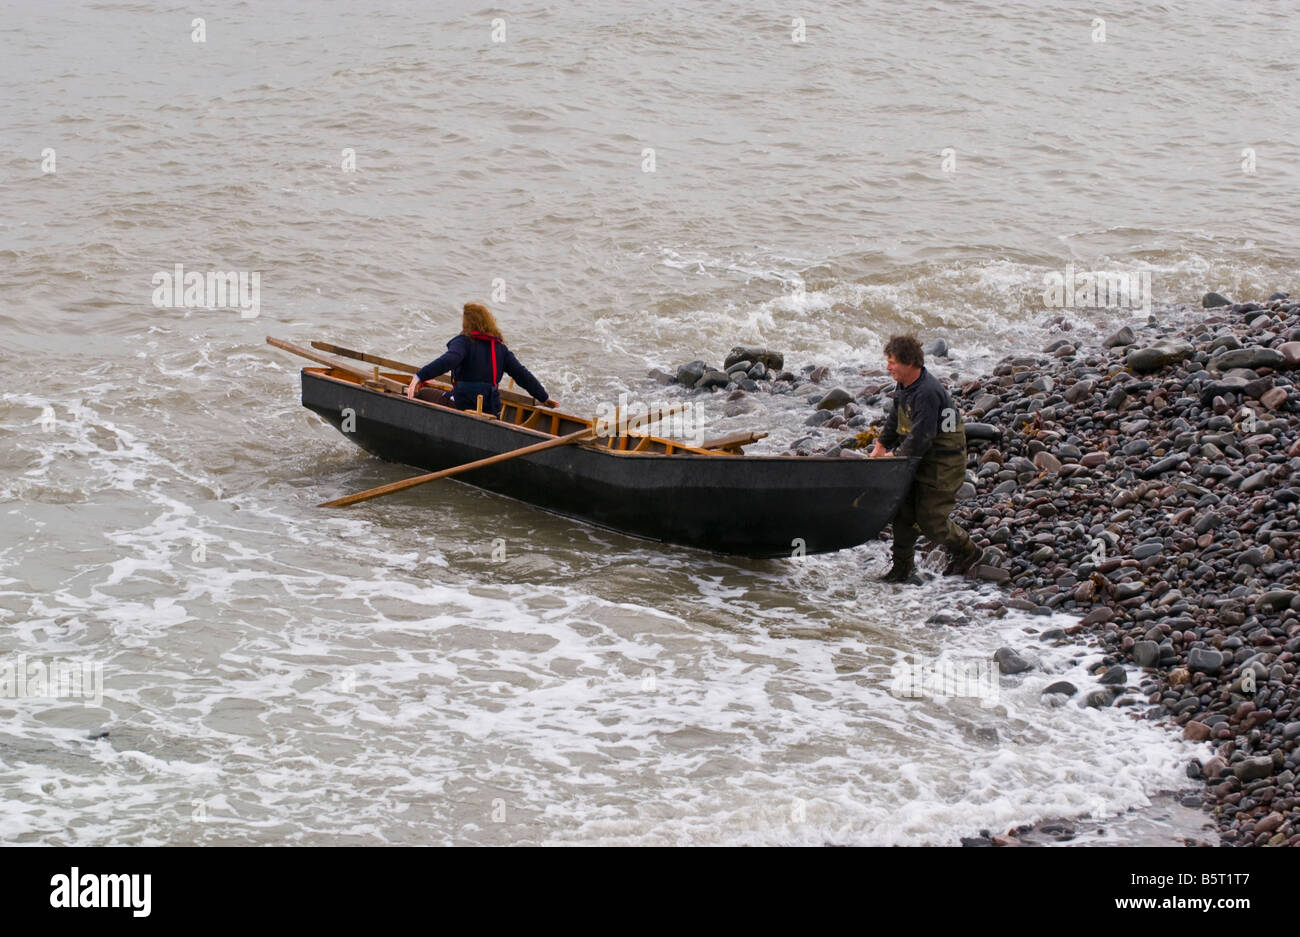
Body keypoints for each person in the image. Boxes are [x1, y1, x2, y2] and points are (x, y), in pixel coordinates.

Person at [868, 334, 983, 583]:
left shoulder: (928, 392)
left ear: (909, 363)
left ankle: (969, 552)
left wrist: (894, 458)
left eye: (892, 362)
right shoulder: (904, 385)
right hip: (919, 455)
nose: (887, 367)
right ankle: (902, 569)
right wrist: (881, 444)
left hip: (943, 460)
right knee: (903, 513)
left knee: (931, 519)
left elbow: (921, 437)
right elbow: (896, 418)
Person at [405, 302, 558, 416]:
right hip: (491, 409)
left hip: (462, 404)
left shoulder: (464, 341)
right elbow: (522, 375)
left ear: (467, 323)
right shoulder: (500, 348)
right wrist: (543, 397)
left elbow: (450, 359)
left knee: (422, 394)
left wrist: (419, 376)